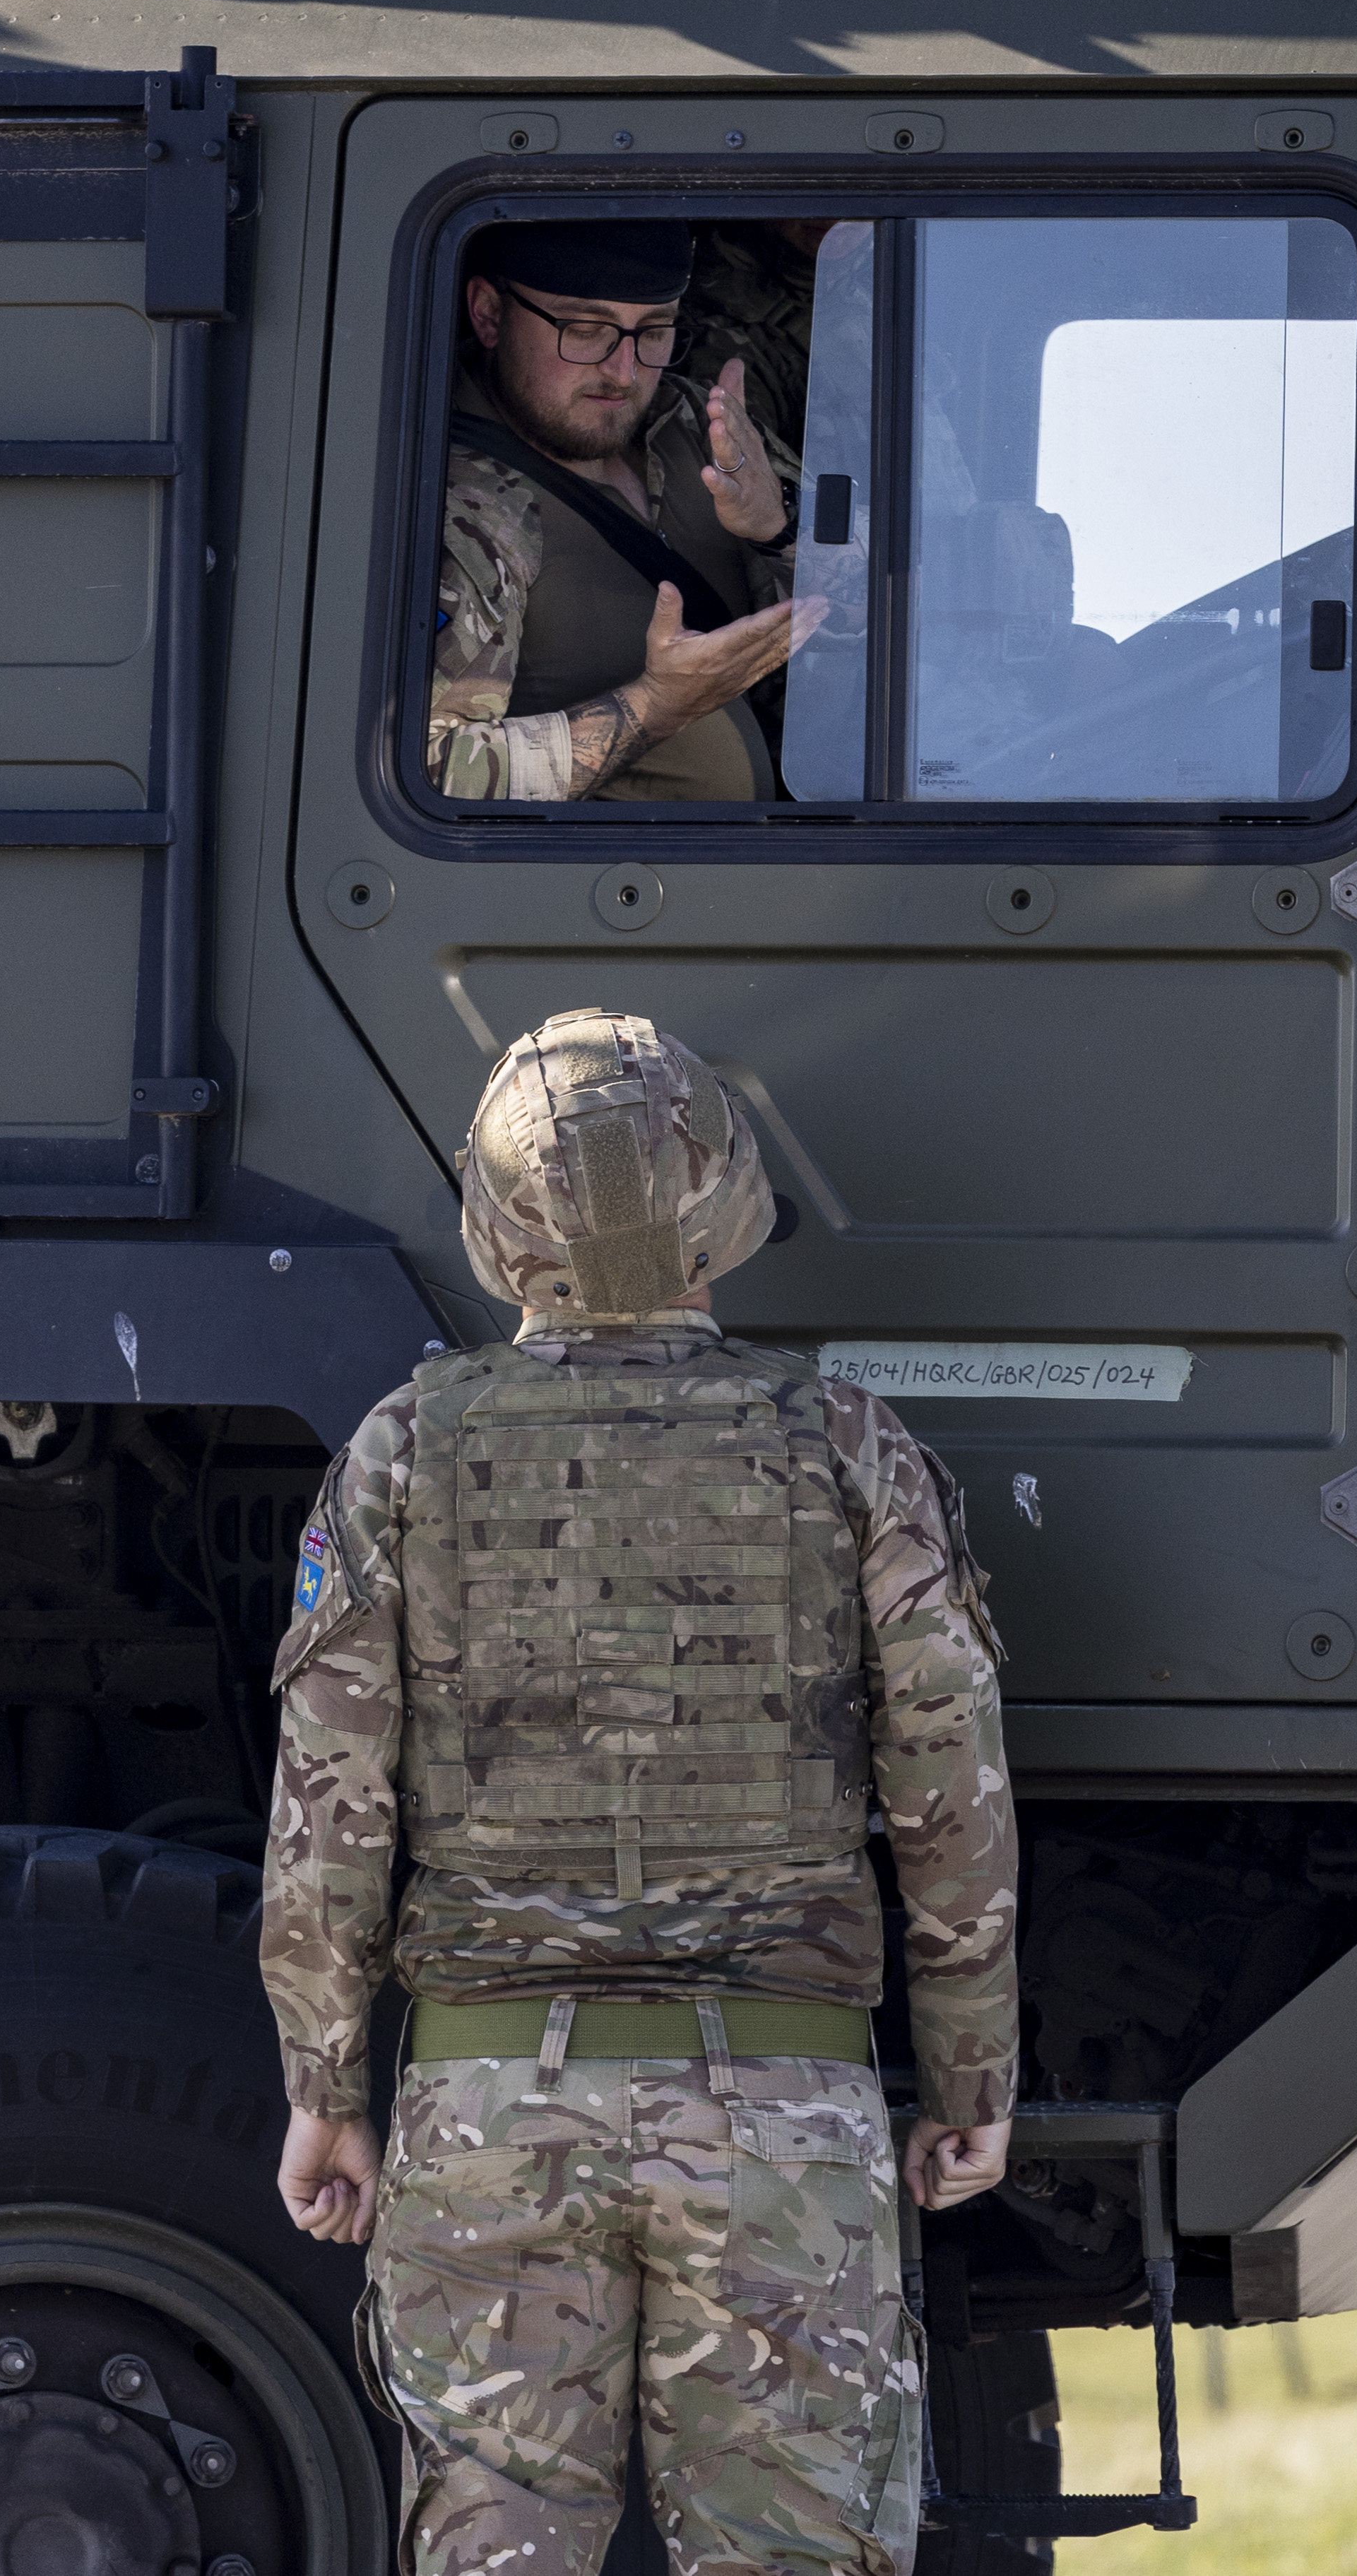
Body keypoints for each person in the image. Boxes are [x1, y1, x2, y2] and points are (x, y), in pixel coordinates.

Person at [259, 1010, 1019, 2576]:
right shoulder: (841, 1440)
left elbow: (328, 1801)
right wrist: (969, 2082)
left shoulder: (402, 1449)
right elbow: (951, 1782)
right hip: (780, 2121)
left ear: (494, 1222)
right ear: (719, 1212)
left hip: (484, 2117)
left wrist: (326, 2086)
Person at [428, 218, 825, 803]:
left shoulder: (695, 423)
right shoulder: (463, 505)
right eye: (586, 330)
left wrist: (779, 530)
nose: (625, 372)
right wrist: (650, 711)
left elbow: (887, 628)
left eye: (656, 331)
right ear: (489, 314)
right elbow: (425, 775)